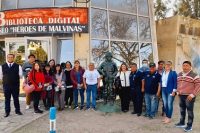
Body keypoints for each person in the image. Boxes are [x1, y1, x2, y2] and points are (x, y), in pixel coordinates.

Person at [175, 61, 200, 132]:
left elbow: (198, 85)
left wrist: (193, 94)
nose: (185, 67)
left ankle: (189, 126)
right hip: (181, 95)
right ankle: (182, 123)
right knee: (182, 110)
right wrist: (177, 91)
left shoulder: (194, 75)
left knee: (189, 111)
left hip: (189, 96)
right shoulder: (179, 74)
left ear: (190, 66)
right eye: (184, 65)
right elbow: (178, 84)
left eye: (186, 65)